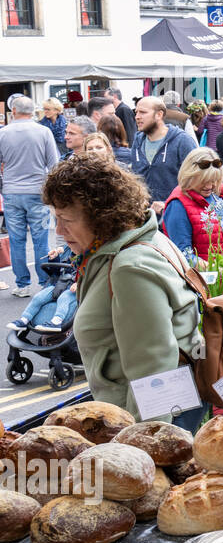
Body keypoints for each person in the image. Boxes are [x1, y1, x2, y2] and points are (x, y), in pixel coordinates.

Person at [42, 154, 204, 427]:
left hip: (151, 420)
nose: (59, 230)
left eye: (65, 219)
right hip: (161, 408)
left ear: (100, 217)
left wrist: (145, 442)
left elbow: (153, 366)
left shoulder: (129, 267)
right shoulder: (139, 237)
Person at [0, 96, 60, 296]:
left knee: (16, 240)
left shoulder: (3, 133)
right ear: (33, 112)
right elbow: (54, 164)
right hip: (38, 191)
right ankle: (44, 282)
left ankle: (22, 284)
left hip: (11, 192)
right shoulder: (43, 132)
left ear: (13, 111)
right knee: (40, 238)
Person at [160, 148, 223, 261]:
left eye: (214, 180)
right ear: (189, 176)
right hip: (208, 276)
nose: (210, 186)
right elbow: (183, 255)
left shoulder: (217, 195)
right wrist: (217, 269)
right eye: (204, 181)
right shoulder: (177, 205)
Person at [131, 96, 196, 212]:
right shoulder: (138, 141)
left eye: (143, 112)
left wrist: (169, 205)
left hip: (174, 217)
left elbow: (197, 181)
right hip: (145, 219)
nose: (137, 117)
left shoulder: (182, 141)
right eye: (136, 112)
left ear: (159, 115)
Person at [7, 245, 77, 334]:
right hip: (60, 284)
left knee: (64, 298)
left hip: (75, 289)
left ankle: (56, 321)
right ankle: (24, 319)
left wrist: (80, 282)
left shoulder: (89, 255)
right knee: (39, 297)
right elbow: (56, 273)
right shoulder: (68, 251)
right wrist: (54, 259)